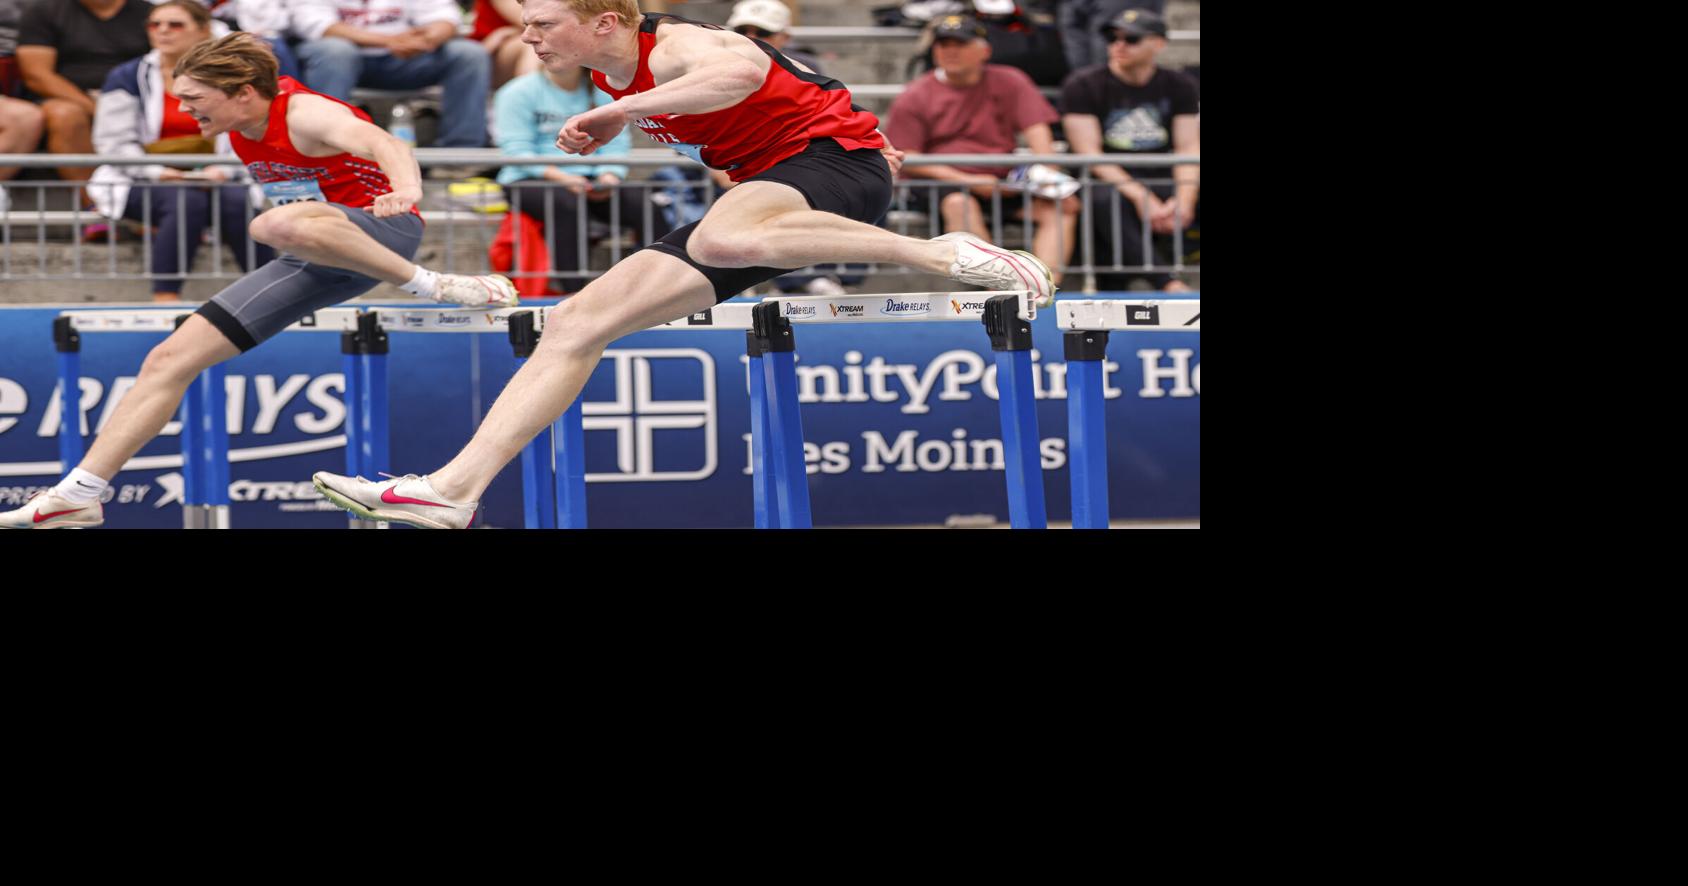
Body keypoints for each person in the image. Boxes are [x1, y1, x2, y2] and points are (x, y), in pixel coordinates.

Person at [309, 0, 1053, 529]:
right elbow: (742, 124)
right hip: (773, 194)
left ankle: (941, 252)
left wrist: (618, 115)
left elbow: (739, 75)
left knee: (722, 239)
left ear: (603, 20)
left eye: (540, 22)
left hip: (833, 167)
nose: (526, 34)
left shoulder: (674, 47)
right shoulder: (611, 70)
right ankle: (452, 490)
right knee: (574, 322)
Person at [3, 33, 517, 529]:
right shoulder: (233, 129)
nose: (187, 112)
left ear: (243, 93)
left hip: (384, 231)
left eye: (195, 99)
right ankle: (78, 495)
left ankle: (435, 284)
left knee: (272, 224)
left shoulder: (304, 113)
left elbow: (383, 142)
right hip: (314, 254)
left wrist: (404, 190)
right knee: (168, 358)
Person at [89, 0, 275, 302]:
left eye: (175, 24)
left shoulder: (234, 79)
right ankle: (165, 297)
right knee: (184, 199)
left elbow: (254, 132)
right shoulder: (127, 76)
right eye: (155, 24)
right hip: (142, 178)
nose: (163, 31)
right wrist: (160, 173)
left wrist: (224, 171)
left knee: (235, 200)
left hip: (220, 176)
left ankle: (272, 294)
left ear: (203, 30)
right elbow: (113, 143)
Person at [884, 14, 1078, 288]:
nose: (950, 51)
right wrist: (969, 181)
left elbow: (1039, 134)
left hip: (1001, 178)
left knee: (1063, 204)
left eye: (960, 43)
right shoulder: (915, 94)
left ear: (984, 50)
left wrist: (1045, 175)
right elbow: (908, 156)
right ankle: (1000, 287)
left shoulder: (1011, 80)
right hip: (942, 182)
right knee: (959, 203)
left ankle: (1043, 285)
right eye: (942, 44)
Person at [1057, 7, 1198, 291]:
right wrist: (1140, 196)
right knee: (1105, 200)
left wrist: (1184, 198)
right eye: (1112, 38)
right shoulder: (1082, 84)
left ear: (1158, 43)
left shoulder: (1180, 84)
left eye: (1131, 39)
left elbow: (1189, 147)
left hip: (1161, 177)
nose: (1119, 45)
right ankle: (1167, 283)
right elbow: (1090, 154)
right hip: (1105, 180)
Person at [495, 62, 668, 291]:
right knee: (566, 204)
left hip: (591, 176)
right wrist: (561, 178)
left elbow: (616, 144)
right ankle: (573, 291)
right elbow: (517, 150)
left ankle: (660, 284)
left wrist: (609, 176)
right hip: (527, 178)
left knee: (643, 205)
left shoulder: (603, 93)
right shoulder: (517, 92)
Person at [289, 0, 492, 149]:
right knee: (335, 51)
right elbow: (318, 25)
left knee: (468, 54)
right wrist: (387, 41)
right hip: (340, 62)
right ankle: (325, 147)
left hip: (406, 59)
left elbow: (446, 18)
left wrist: (429, 39)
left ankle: (461, 155)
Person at [14, 0, 152, 186]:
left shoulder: (150, 13)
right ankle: (93, 202)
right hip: (66, 98)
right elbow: (37, 75)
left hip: (134, 97)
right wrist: (94, 107)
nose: (165, 28)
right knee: (65, 115)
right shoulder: (43, 11)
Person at [474, 0, 543, 89]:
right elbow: (530, 21)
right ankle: (530, 100)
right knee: (534, 46)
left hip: (517, 36)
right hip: (491, 51)